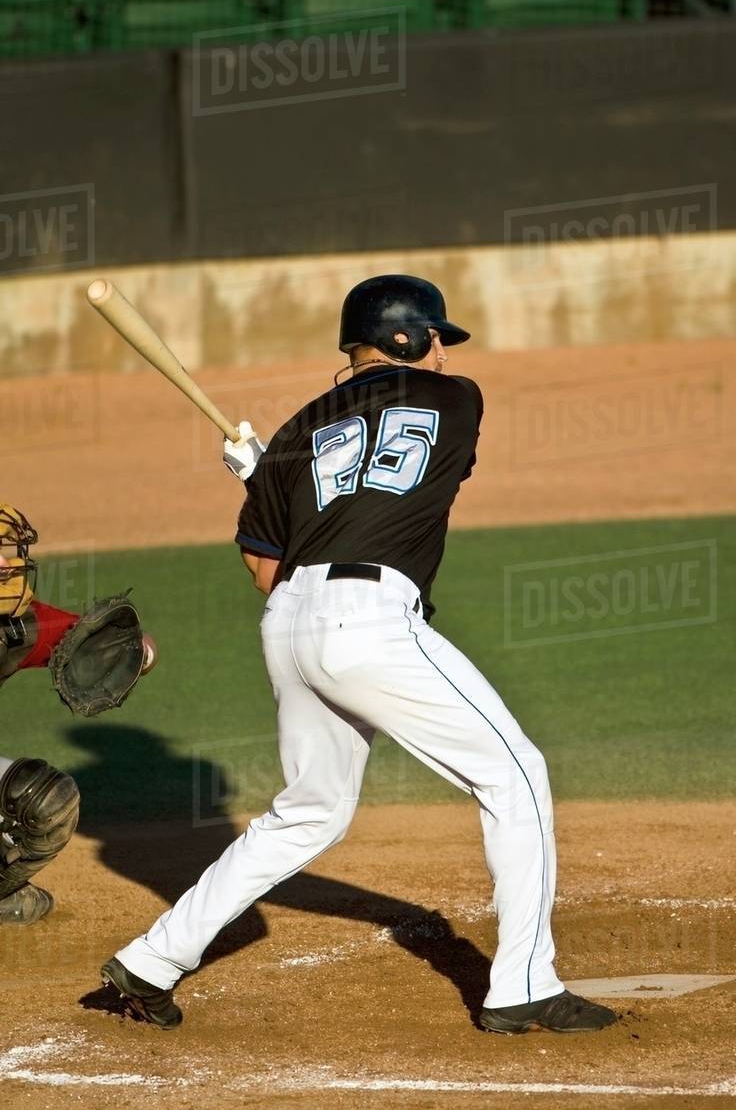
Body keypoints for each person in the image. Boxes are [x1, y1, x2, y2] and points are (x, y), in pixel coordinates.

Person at [102, 275, 616, 1037]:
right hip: (369, 622)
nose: (444, 352)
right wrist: (276, 472)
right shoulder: (458, 401)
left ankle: (152, 961)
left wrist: (269, 474)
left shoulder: (297, 431)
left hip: (290, 628)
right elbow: (399, 476)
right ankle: (525, 985)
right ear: (409, 339)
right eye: (437, 337)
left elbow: (266, 571)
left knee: (308, 812)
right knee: (516, 775)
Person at [0, 504, 156, 924]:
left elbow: (84, 636)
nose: (7, 565)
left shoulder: (11, 626)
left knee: (45, 800)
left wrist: (138, 650)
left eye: (8, 552)